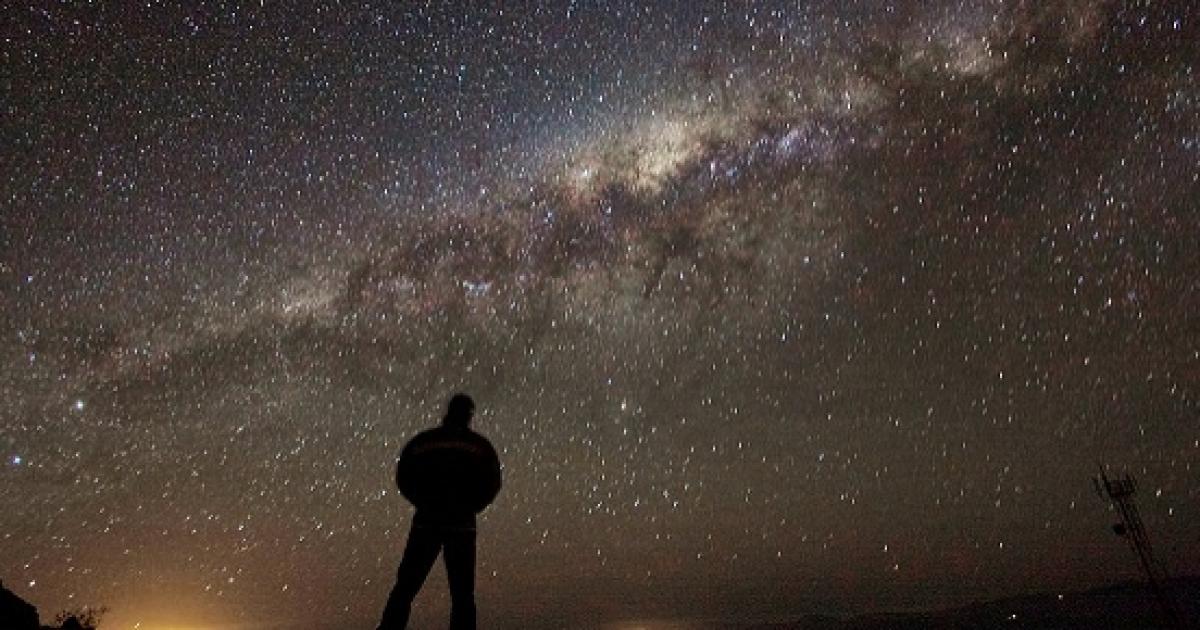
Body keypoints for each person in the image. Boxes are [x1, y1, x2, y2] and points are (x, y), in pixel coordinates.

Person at [378, 393, 502, 630]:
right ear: (469, 415)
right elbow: (493, 482)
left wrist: (423, 502)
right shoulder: (480, 446)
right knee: (463, 594)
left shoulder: (423, 442)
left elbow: (403, 476)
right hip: (462, 526)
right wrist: (471, 507)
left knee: (405, 587)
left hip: (426, 522)